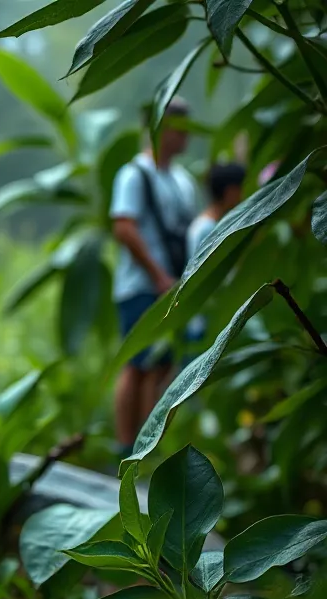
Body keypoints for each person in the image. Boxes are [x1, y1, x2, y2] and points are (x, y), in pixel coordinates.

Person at [109, 97, 199, 455]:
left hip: (170, 286)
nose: (186, 138)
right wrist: (157, 274)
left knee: (159, 364)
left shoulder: (182, 180)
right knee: (138, 365)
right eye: (182, 130)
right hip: (140, 287)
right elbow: (124, 228)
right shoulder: (134, 175)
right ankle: (124, 443)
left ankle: (146, 446)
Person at [183, 162, 246, 352]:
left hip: (200, 318)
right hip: (205, 321)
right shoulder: (209, 230)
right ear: (230, 192)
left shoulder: (203, 224)